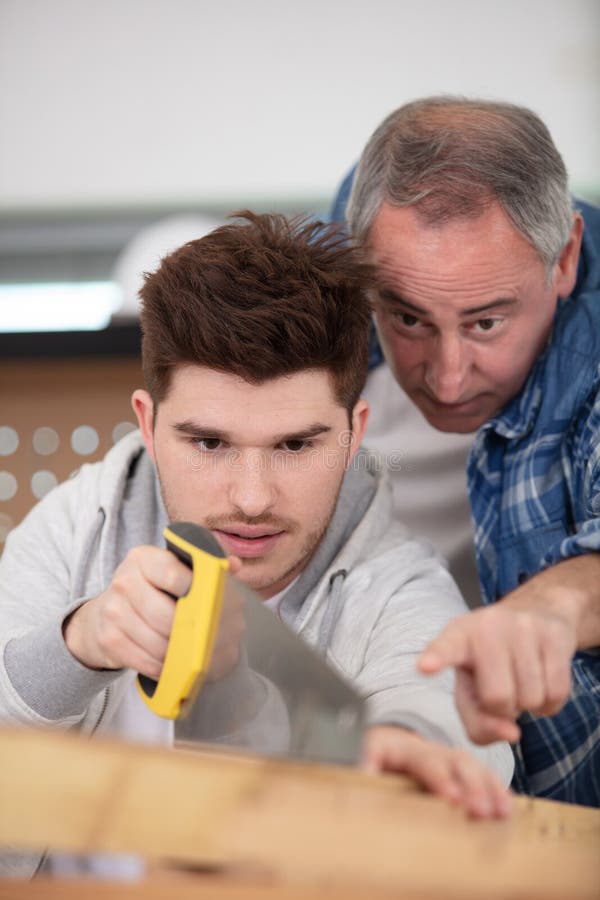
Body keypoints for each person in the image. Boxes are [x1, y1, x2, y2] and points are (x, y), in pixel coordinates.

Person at [0, 212, 513, 844]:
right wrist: (76, 644)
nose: (251, 498)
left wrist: (405, 756)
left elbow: (439, 721)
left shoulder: (400, 586)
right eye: (209, 443)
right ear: (148, 425)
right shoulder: (74, 528)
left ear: (354, 433)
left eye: (295, 445)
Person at [333, 96, 600, 807]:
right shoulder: (341, 269)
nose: (447, 379)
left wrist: (554, 607)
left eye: (485, 323)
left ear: (564, 258)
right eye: (408, 318)